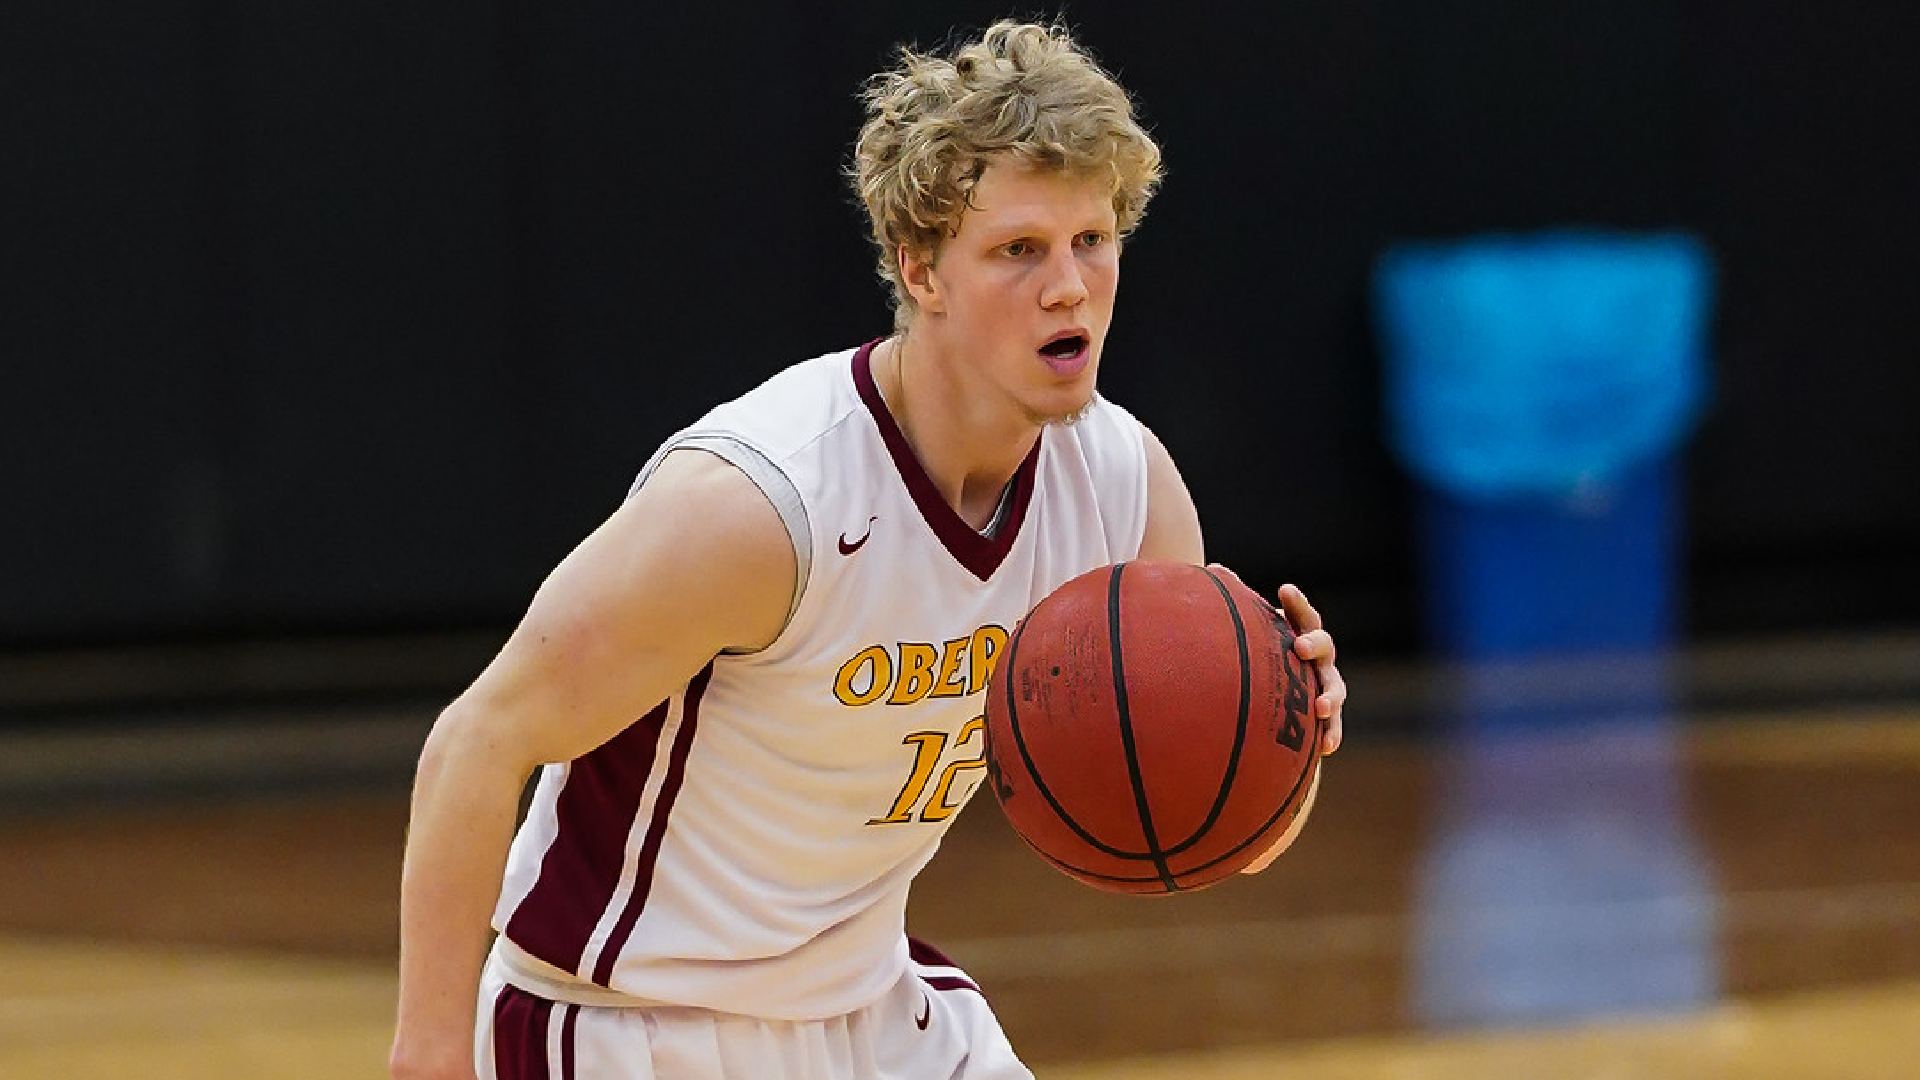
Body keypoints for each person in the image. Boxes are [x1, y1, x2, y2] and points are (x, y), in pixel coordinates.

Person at [389, 19, 1347, 1080]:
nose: (1069, 285)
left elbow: (1225, 828)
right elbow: (478, 740)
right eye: (1019, 250)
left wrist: (1290, 733)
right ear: (921, 270)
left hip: (870, 1008)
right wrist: (429, 1057)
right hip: (633, 1022)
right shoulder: (764, 505)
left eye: (1092, 239)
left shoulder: (1125, 489)